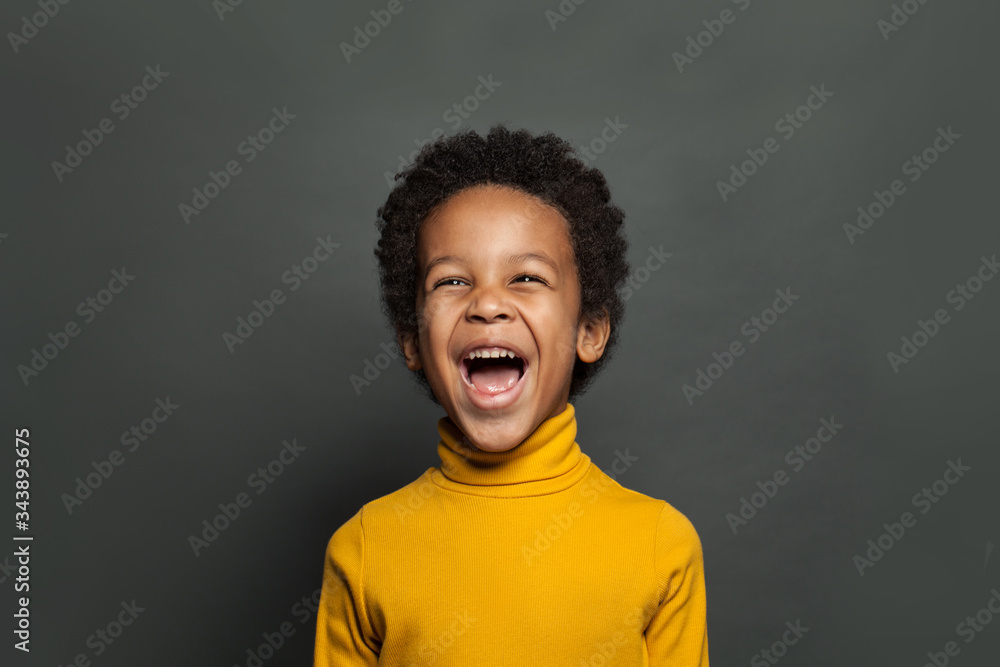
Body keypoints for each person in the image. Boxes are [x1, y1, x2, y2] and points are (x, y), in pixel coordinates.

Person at [313, 124, 709, 665]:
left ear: (588, 331)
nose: (488, 304)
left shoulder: (660, 544)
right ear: (412, 341)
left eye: (526, 277)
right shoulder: (363, 550)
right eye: (451, 281)